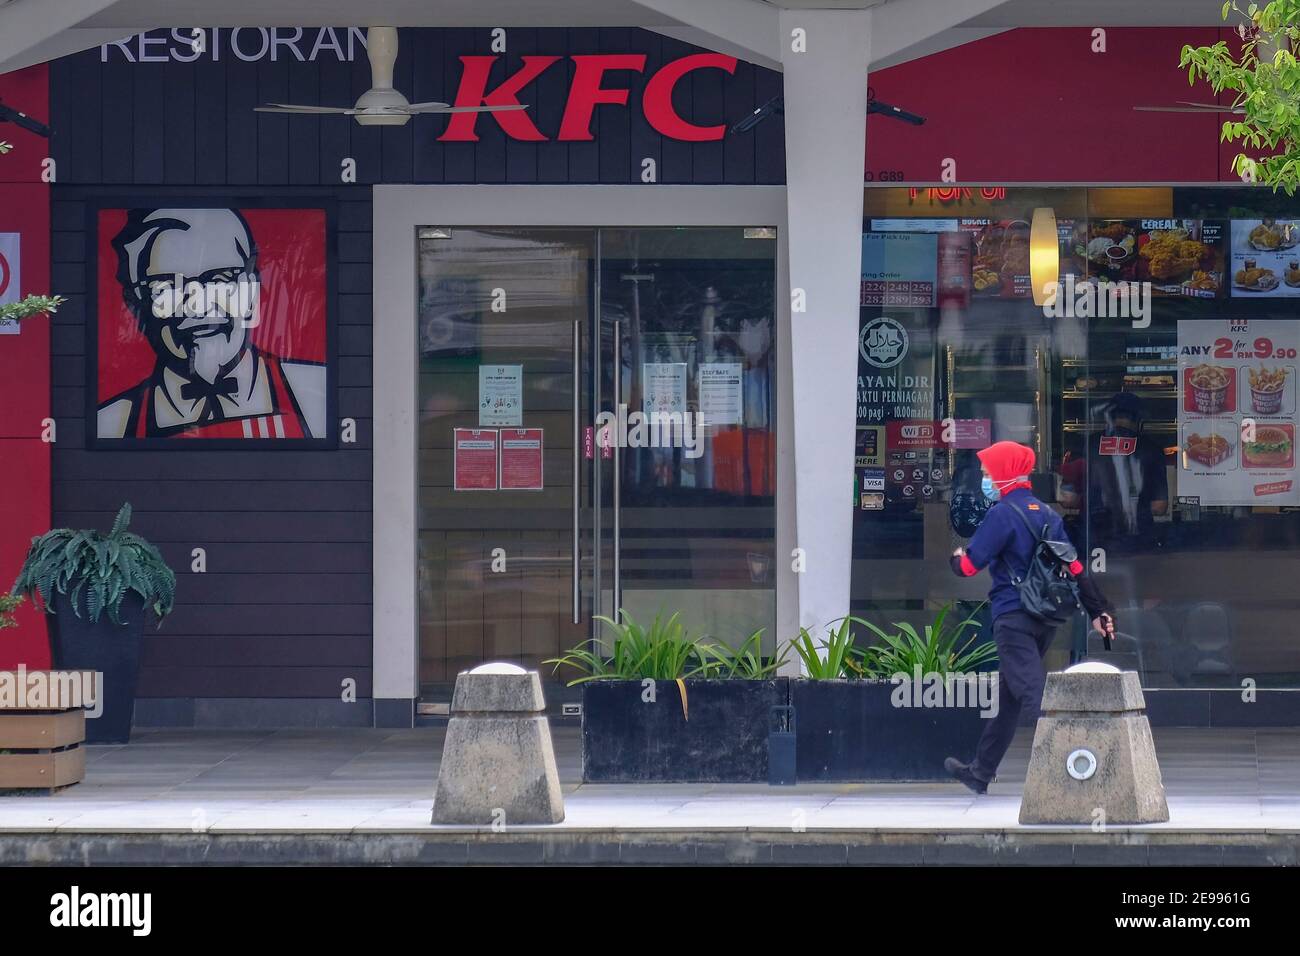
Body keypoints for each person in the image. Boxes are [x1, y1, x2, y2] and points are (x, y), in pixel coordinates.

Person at [943, 440, 1116, 794]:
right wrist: (1099, 610)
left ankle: (1082, 765)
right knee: (1009, 698)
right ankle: (980, 772)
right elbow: (1076, 566)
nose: (986, 478)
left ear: (1004, 473)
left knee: (1033, 695)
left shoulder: (1002, 514)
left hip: (1013, 617)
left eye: (989, 472)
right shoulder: (1047, 513)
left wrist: (956, 556)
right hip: (1043, 620)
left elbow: (968, 566)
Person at [98, 208, 326, 440]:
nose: (198, 305)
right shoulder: (112, 422)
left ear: (251, 290)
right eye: (167, 286)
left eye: (220, 280)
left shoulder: (316, 395)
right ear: (136, 304)